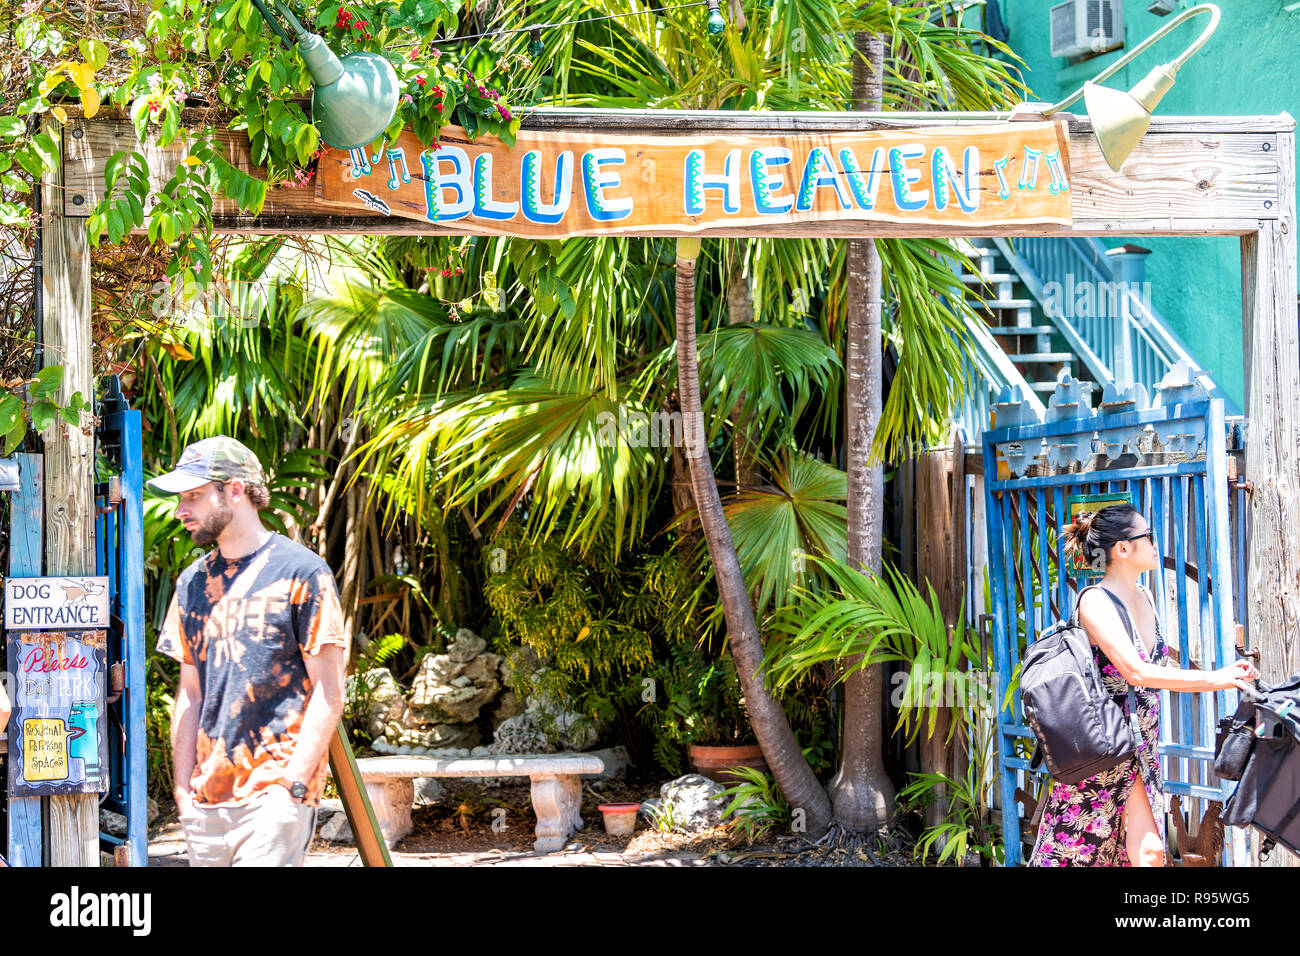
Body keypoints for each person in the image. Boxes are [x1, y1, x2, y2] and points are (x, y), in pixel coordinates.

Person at [150, 436, 349, 867]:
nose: (182, 510)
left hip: (273, 800)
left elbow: (329, 691)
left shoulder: (302, 571)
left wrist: (292, 786)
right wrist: (184, 793)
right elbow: (190, 694)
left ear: (235, 490)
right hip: (206, 806)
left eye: (194, 496)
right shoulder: (190, 584)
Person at [1028, 503, 1259, 867]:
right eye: (1147, 537)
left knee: (1149, 855)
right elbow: (1136, 672)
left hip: (1141, 745)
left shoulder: (1146, 597)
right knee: (1077, 854)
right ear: (1122, 548)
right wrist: (1215, 678)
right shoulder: (1094, 601)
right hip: (1102, 745)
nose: (1155, 544)